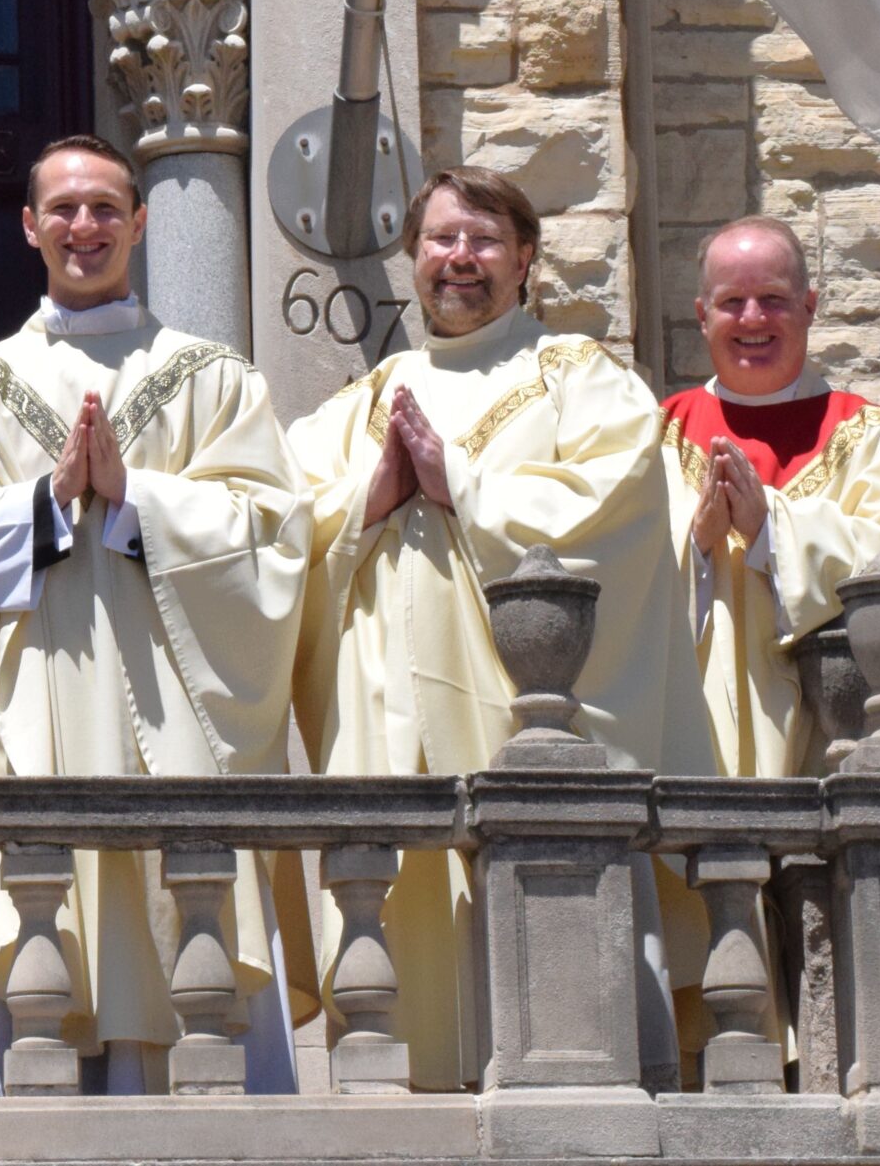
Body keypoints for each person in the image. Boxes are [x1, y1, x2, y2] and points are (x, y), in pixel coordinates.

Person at [0, 135, 314, 1095]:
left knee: (175, 940)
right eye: (64, 209)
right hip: (24, 709)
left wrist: (134, 502)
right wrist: (42, 504)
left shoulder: (213, 378)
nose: (85, 227)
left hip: (171, 714)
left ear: (141, 222)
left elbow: (274, 534)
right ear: (29, 226)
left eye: (106, 209)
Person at [287, 166, 714, 1092]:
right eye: (441, 239)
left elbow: (620, 501)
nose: (459, 259)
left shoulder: (577, 376)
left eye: (483, 241)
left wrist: (464, 486)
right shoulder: (368, 398)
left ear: (525, 259)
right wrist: (370, 498)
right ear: (413, 257)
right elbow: (283, 526)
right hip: (389, 722)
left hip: (526, 720)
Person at [662, 216, 880, 778]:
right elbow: (612, 576)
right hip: (684, 745)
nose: (752, 318)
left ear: (809, 306)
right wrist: (694, 540)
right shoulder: (653, 438)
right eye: (732, 301)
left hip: (833, 753)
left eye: (772, 298)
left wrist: (772, 529)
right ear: (702, 315)